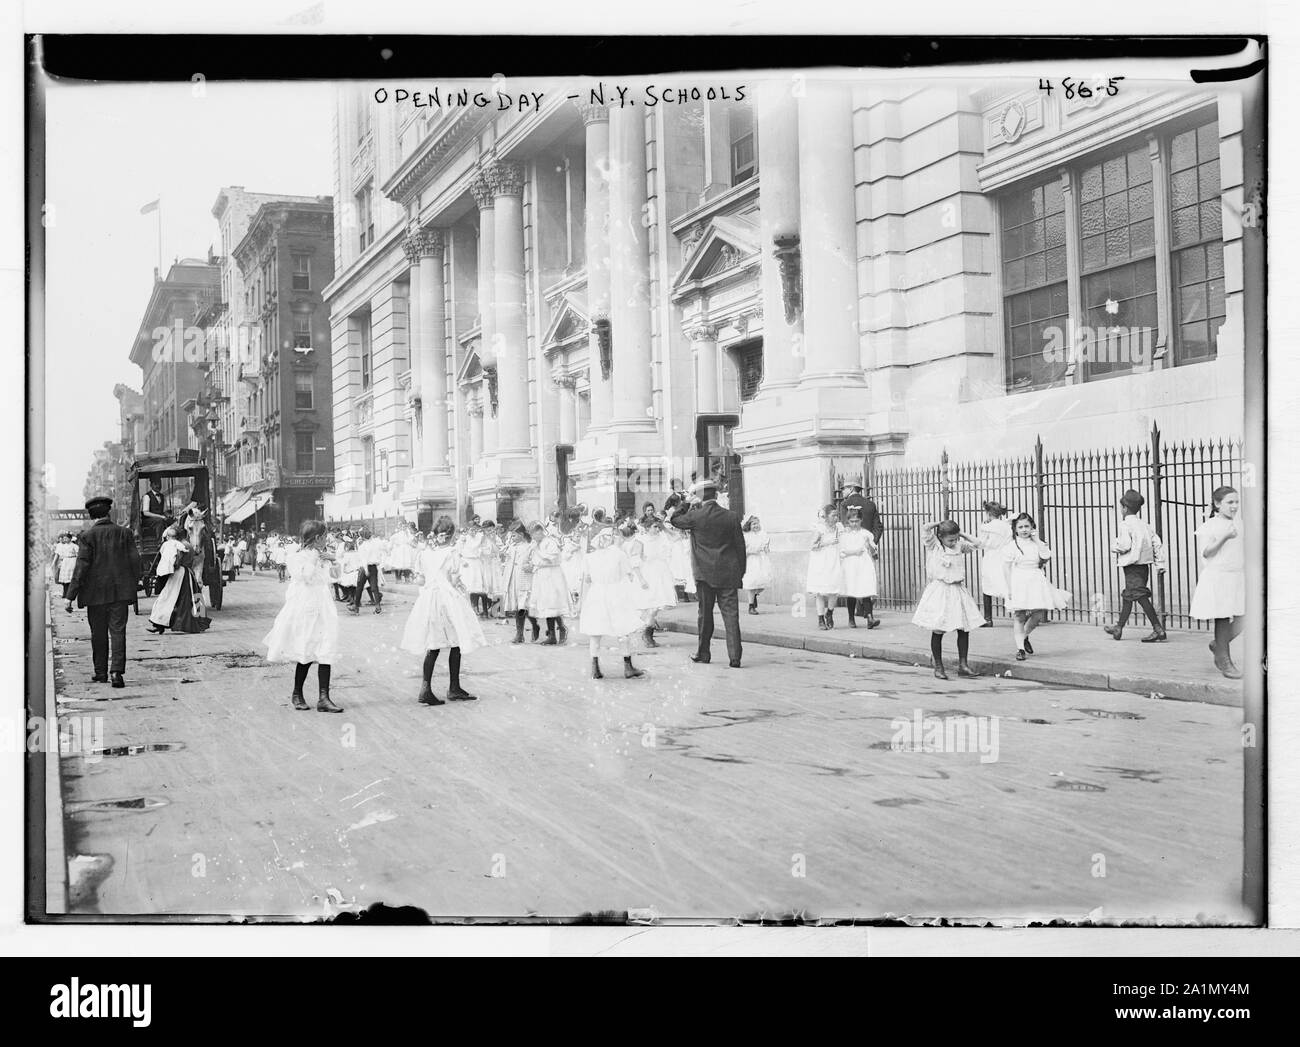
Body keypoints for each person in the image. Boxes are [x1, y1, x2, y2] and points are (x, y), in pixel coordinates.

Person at [400, 516, 485, 705]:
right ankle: (453, 687)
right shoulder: (453, 552)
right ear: (451, 534)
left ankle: (426, 688)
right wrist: (460, 586)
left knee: (433, 644)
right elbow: (454, 579)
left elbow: (420, 579)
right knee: (456, 641)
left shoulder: (425, 553)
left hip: (429, 598)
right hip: (447, 598)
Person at [263, 520, 342, 713]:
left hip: (323, 606)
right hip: (305, 608)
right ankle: (297, 693)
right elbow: (305, 576)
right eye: (324, 537)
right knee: (305, 650)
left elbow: (336, 577)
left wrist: (333, 560)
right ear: (317, 538)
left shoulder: (322, 556)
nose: (326, 540)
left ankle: (324, 698)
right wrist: (315, 557)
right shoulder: (296, 557)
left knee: (326, 649)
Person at [668, 479, 747, 668]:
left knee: (705, 614)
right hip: (728, 574)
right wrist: (740, 572)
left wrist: (687, 502)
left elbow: (674, 520)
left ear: (700, 496)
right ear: (716, 495)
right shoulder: (731, 516)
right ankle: (734, 657)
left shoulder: (696, 516)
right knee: (731, 616)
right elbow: (740, 547)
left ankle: (703, 653)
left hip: (704, 575)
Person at [65, 496, 141, 688]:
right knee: (118, 632)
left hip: (95, 595)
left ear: (92, 516)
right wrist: (133, 584)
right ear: (109, 512)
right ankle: (116, 673)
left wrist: (70, 596)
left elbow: (81, 567)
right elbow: (136, 562)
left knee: (98, 634)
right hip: (120, 594)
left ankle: (100, 673)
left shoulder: (87, 536)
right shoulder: (125, 533)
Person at [912, 520, 983, 680]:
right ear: (940, 537)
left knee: (964, 628)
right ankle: (938, 666)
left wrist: (961, 534)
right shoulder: (935, 547)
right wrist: (939, 523)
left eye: (956, 539)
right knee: (938, 628)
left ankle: (963, 665)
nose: (954, 542)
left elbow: (978, 544)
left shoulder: (959, 546)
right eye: (950, 539)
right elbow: (925, 528)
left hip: (957, 591)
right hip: (941, 590)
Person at [1189, 486, 1245, 680]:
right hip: (1218, 577)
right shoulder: (1209, 526)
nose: (1235, 506)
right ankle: (1225, 661)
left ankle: (1218, 645)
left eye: (1237, 502)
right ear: (1217, 504)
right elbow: (1206, 552)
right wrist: (1224, 537)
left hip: (1237, 576)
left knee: (1246, 618)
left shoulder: (1240, 524)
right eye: (1230, 502)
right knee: (1222, 618)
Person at [580, 521, 648, 679]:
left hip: (597, 594)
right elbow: (628, 574)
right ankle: (627, 666)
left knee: (596, 631)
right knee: (622, 630)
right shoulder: (618, 554)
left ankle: (595, 667)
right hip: (615, 592)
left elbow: (587, 580)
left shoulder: (589, 557)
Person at [1001, 512, 1069, 661]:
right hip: (1019, 580)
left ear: (1032, 527)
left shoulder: (1037, 544)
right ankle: (1020, 648)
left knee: (1038, 614)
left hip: (1036, 579)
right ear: (1015, 529)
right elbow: (1006, 568)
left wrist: (1037, 539)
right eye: (1020, 527)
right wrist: (1010, 588)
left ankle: (1024, 637)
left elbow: (1045, 556)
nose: (1024, 529)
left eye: (1027, 526)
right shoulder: (1012, 546)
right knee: (1019, 615)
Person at [1104, 489, 1168, 643]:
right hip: (1144, 566)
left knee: (1140, 595)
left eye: (1121, 508)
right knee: (1130, 595)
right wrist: (1160, 563)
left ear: (1125, 508)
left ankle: (1158, 629)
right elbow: (1156, 543)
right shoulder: (1145, 525)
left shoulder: (1125, 524)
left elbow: (1125, 545)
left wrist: (1114, 546)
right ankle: (1118, 628)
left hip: (1132, 566)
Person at [147, 517, 211, 635]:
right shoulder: (188, 545)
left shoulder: (177, 546)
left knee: (168, 598)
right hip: (189, 573)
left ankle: (160, 623)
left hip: (179, 574)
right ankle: (201, 621)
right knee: (195, 597)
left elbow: (175, 562)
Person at [635, 515, 678, 646]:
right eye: (654, 527)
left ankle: (648, 634)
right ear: (647, 528)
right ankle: (647, 634)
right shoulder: (641, 540)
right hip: (648, 573)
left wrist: (664, 527)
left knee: (657, 606)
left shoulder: (662, 537)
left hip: (661, 573)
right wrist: (641, 579)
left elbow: (676, 537)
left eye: (658, 527)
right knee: (650, 606)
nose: (657, 529)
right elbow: (635, 561)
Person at [527, 522, 572, 644]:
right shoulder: (537, 543)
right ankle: (555, 633)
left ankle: (558, 631)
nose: (533, 537)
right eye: (531, 535)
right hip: (541, 575)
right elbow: (534, 559)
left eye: (534, 534)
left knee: (551, 604)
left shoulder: (550, 542)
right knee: (546, 605)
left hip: (551, 575)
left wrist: (536, 550)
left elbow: (550, 558)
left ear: (540, 531)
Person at [839, 509, 880, 628]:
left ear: (861, 520)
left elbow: (874, 553)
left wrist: (871, 547)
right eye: (852, 521)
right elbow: (842, 551)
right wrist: (854, 552)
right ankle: (851, 618)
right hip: (850, 563)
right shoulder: (845, 535)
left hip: (863, 563)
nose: (854, 524)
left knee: (866, 589)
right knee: (851, 591)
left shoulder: (866, 534)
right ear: (848, 521)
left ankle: (870, 618)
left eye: (857, 521)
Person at [806, 506, 844, 629]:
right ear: (826, 516)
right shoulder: (820, 529)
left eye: (837, 515)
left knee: (834, 589)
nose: (836, 517)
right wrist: (828, 542)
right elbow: (812, 545)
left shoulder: (839, 527)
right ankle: (820, 619)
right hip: (821, 561)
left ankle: (830, 613)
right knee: (820, 592)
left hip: (834, 560)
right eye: (833, 515)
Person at [977, 500, 1012, 627]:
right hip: (1005, 556)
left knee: (988, 585)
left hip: (991, 557)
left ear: (988, 513)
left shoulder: (986, 526)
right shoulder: (1007, 526)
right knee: (1008, 583)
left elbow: (982, 542)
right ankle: (1022, 612)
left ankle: (988, 619)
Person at [740, 515, 772, 615]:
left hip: (761, 560)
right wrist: (752, 551)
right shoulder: (746, 536)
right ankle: (751, 606)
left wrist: (767, 549)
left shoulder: (762, 535)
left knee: (763, 583)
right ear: (749, 525)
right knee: (752, 583)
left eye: (757, 523)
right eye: (754, 524)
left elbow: (766, 548)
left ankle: (754, 596)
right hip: (751, 561)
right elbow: (742, 551)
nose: (756, 526)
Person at [350, 529, 385, 614]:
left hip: (364, 568)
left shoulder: (363, 546)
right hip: (374, 567)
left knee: (359, 587)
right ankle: (377, 606)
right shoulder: (376, 543)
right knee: (374, 587)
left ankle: (356, 606)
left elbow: (363, 559)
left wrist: (365, 569)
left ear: (362, 536)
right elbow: (382, 553)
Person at [52, 532, 79, 600]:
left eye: (66, 538)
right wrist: (59, 563)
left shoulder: (74, 546)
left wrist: (77, 563)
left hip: (72, 561)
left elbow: (77, 555)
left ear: (70, 538)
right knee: (64, 580)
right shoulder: (62, 546)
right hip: (65, 562)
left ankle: (70, 594)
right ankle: (65, 593)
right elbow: (59, 554)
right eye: (64, 538)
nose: (65, 540)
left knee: (70, 579)